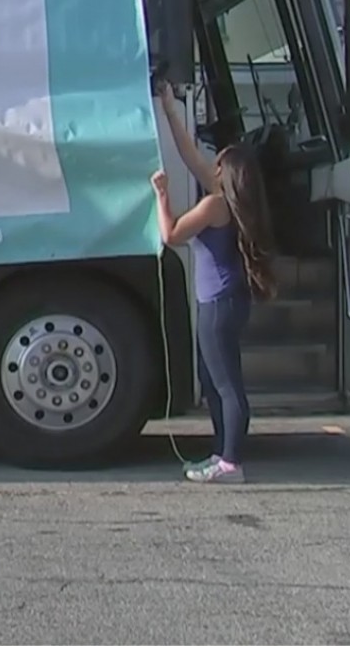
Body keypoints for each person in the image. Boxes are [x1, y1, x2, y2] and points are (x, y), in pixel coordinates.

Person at [150, 80, 277, 484]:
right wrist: (171, 110)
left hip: (218, 304)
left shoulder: (213, 205)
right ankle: (223, 454)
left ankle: (230, 462)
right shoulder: (232, 200)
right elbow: (190, 156)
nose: (210, 165)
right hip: (225, 302)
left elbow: (171, 234)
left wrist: (161, 194)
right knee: (214, 379)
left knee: (225, 384)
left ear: (223, 172)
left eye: (216, 162)